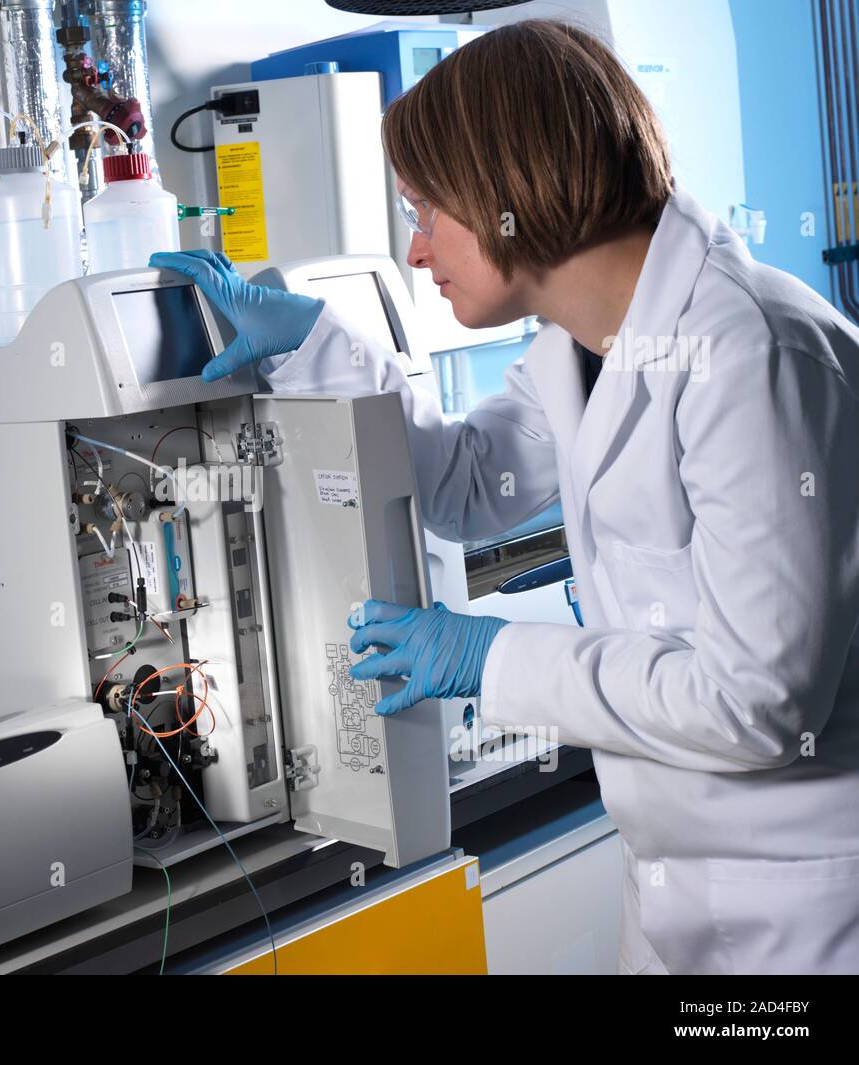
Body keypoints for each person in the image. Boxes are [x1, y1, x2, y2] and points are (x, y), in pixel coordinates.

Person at [151, 18, 859, 976]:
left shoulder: (752, 354)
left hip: (808, 906)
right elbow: (465, 483)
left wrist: (488, 657)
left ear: (505, 191)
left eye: (427, 212)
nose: (415, 249)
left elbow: (756, 703)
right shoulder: (582, 341)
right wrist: (315, 339)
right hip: (674, 889)